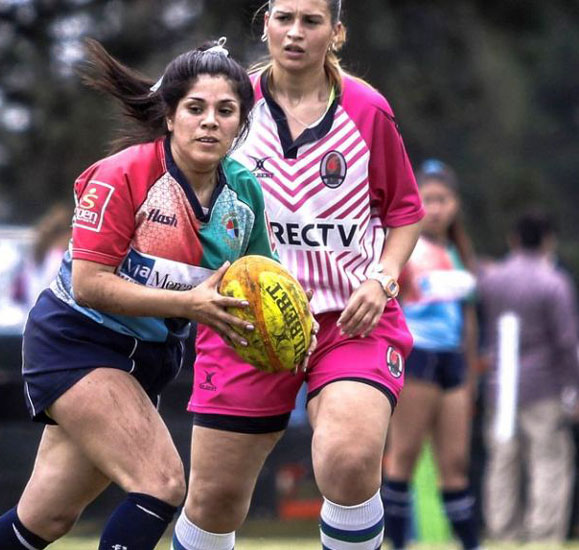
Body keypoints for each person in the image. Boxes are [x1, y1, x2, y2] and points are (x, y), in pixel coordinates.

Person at [0, 37, 273, 550]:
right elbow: (90, 284)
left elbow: (260, 282)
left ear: (241, 123)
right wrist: (188, 305)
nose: (209, 122)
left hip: (150, 358)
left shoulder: (243, 193)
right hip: (77, 342)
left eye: (226, 111)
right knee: (161, 483)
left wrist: (288, 328)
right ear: (170, 116)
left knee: (46, 518)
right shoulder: (124, 176)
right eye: (195, 108)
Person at [173, 2, 424, 549]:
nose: (295, 32)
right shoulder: (231, 105)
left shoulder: (367, 110)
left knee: (350, 460)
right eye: (284, 17)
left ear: (335, 33)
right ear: (264, 22)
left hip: (349, 319)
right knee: (214, 500)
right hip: (243, 319)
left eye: (311, 21)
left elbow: (405, 212)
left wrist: (381, 279)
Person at [380, 160, 481, 550]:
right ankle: (397, 543)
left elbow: (468, 316)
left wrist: (471, 371)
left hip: (452, 362)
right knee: (403, 456)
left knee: (455, 464)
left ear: (455, 204)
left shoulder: (458, 251)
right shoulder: (405, 246)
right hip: (416, 357)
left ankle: (472, 544)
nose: (437, 208)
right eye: (429, 199)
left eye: (444, 200)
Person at [477, 211, 579, 545]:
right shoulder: (554, 282)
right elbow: (567, 342)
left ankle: (504, 533)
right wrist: (574, 389)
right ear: (548, 240)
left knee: (502, 462)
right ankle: (543, 534)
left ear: (514, 239)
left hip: (499, 386)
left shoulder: (492, 279)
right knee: (548, 461)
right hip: (543, 387)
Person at [14, 203, 72, 310]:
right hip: (48, 318)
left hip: (32, 316)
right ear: (69, 233)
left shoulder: (36, 256)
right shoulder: (59, 259)